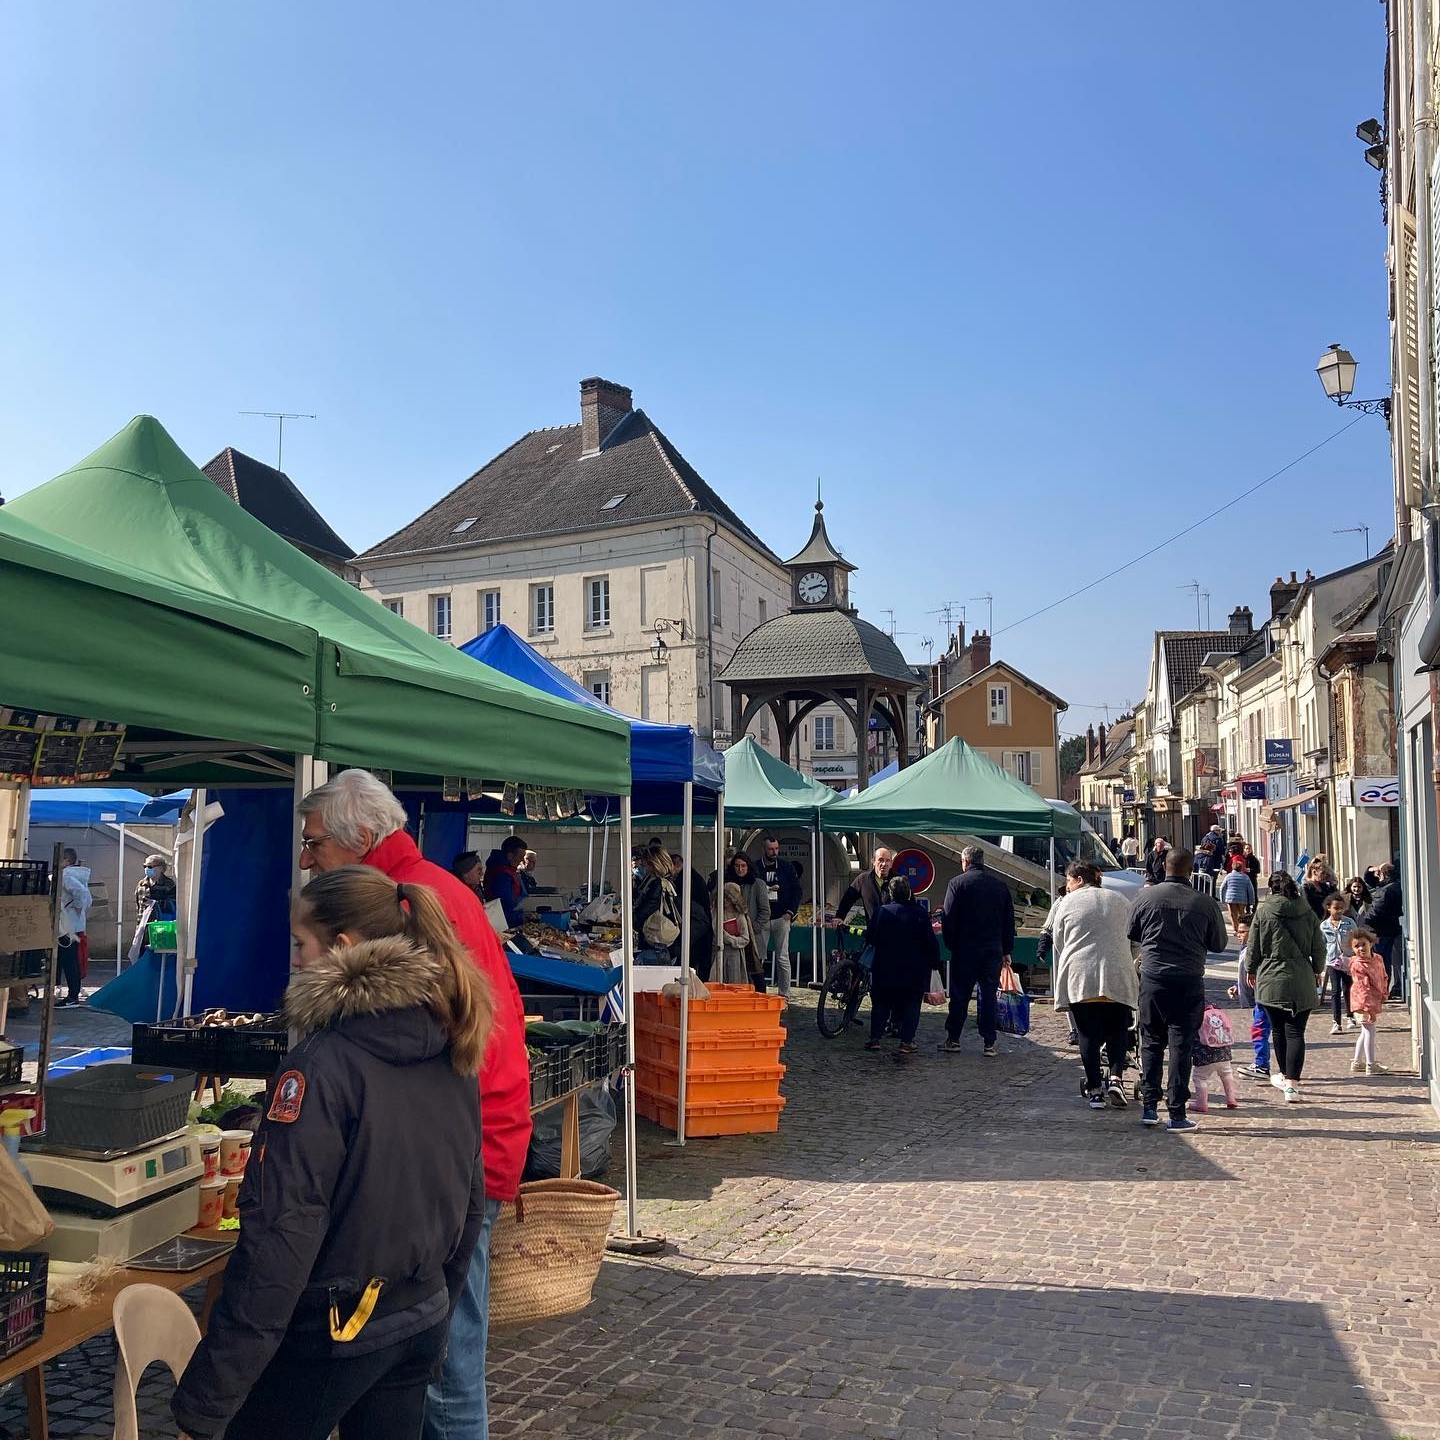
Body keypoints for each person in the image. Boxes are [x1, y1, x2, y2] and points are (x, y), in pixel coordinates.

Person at [172, 865, 490, 1440]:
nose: (293, 960)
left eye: (300, 944)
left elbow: (280, 1236)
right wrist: (438, 1307)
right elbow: (468, 1199)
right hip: (413, 1312)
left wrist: (207, 1402)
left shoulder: (321, 1065)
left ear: (342, 948)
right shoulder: (452, 1041)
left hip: (338, 1326)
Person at [296, 770, 530, 1440]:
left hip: (456, 1157)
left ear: (361, 838)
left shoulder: (411, 903)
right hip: (466, 1147)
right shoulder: (426, 890)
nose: (307, 858)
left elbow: (417, 1054)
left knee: (446, 1370)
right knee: (428, 1363)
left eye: (315, 844)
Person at [1126, 847, 1226, 1132]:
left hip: (1154, 978)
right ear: (1190, 869)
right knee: (1181, 1046)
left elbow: (1132, 932)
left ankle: (1149, 1106)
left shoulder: (1145, 897)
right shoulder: (1204, 902)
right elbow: (1218, 943)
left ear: (1165, 868)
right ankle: (1177, 1113)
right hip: (1188, 979)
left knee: (1152, 1042)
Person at [1047, 860, 1139, 1109]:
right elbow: (1135, 936)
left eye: (1068, 880)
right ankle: (1117, 1078)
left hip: (1082, 975)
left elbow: (1059, 940)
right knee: (1118, 1029)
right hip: (1117, 973)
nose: (1066, 886)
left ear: (1078, 880)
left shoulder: (1066, 903)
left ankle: (1095, 1088)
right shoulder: (1120, 900)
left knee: (1087, 1033)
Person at [1247, 871, 1326, 1104]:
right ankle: (1292, 1084)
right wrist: (1317, 969)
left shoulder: (1263, 912)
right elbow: (1319, 947)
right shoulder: (1307, 912)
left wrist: (1251, 970)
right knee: (1296, 1032)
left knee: (1279, 1032)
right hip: (1301, 976)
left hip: (1272, 976)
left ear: (1271, 889)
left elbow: (1254, 946)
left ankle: (1283, 1076)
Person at [939, 847, 1015, 1058]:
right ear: (983, 861)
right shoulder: (999, 886)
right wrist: (1006, 949)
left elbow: (948, 918)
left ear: (965, 861)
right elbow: (1009, 921)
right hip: (992, 950)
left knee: (960, 996)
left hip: (965, 950)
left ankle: (953, 1038)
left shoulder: (957, 884)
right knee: (989, 996)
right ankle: (989, 1042)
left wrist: (952, 944)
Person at [865, 876, 939, 1057]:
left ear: (890, 893)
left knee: (881, 1004)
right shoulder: (920, 913)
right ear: (909, 892)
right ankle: (906, 1042)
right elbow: (930, 941)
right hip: (913, 969)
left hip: (885, 967)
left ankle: (875, 1039)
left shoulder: (882, 912)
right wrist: (935, 963)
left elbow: (871, 938)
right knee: (912, 1004)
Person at [754, 837, 802, 1003]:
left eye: (776, 849)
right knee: (758, 957)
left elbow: (797, 890)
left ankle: (784, 995)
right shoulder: (756, 867)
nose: (774, 852)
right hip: (762, 919)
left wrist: (790, 912)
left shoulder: (786, 867)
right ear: (764, 849)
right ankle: (758, 992)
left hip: (781, 918)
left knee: (783, 957)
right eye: (770, 849)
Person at [714, 852, 770, 988]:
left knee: (755, 970)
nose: (740, 869)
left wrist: (753, 928)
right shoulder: (725, 884)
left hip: (751, 935)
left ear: (748, 866)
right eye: (737, 866)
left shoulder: (758, 884)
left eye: (743, 866)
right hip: (729, 933)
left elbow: (765, 911)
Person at [1347, 927, 1390, 1076]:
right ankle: (1371, 1064)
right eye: (1356, 946)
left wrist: (1384, 991)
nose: (1360, 948)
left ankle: (1357, 1062)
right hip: (1363, 1002)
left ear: (1370, 943)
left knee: (1365, 1032)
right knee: (1370, 1030)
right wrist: (1366, 1007)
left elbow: (1384, 975)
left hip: (1375, 998)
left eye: (1363, 944)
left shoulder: (1378, 958)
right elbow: (1361, 988)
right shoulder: (1357, 965)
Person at [1233, 919, 1271, 1081]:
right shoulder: (1246, 949)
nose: (1238, 935)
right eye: (1238, 931)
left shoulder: (1257, 950)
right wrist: (1237, 986)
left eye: (1243, 932)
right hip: (1259, 997)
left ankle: (1262, 1065)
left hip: (1264, 997)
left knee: (1260, 1030)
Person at [1360, 861, 1404, 997]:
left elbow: (1375, 913)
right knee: (1388, 962)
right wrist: (1371, 869)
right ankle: (1385, 989)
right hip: (1392, 929)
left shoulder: (1384, 891)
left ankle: (1380, 990)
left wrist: (1362, 920)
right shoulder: (1397, 886)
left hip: (1379, 931)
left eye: (1379, 874)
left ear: (1383, 875)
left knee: (1379, 962)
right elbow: (1368, 880)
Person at [833, 847, 895, 941]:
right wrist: (839, 917)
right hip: (872, 936)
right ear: (873, 861)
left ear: (891, 863)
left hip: (895, 935)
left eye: (887, 861)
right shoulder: (863, 879)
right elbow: (848, 898)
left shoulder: (898, 881)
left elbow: (910, 904)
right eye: (880, 860)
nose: (884, 864)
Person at [56, 847, 91, 1007]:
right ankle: (72, 994)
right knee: (70, 960)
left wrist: (77, 906)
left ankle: (72, 996)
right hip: (73, 923)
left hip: (67, 924)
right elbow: (86, 896)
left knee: (69, 960)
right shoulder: (78, 875)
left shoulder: (67, 875)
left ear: (66, 861)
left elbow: (80, 892)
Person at [633, 844, 681, 963]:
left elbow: (646, 909)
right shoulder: (667, 881)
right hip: (663, 945)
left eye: (645, 864)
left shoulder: (657, 884)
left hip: (655, 942)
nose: (643, 867)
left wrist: (630, 921)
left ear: (653, 864)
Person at [1321, 894, 1358, 1036]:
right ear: (1329, 908)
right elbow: (1322, 944)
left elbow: (1356, 938)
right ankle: (1336, 1021)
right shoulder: (1324, 926)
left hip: (1348, 960)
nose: (1339, 911)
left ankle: (1350, 1015)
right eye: (1336, 908)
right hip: (1333, 961)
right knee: (1336, 991)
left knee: (1348, 988)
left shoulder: (1349, 923)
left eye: (1342, 908)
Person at [1190, 1003, 1238, 1113]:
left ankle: (1201, 1103)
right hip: (1224, 1053)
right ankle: (1231, 1099)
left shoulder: (1198, 1017)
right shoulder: (1219, 1015)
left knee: (1200, 1077)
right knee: (1227, 1074)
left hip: (1204, 1055)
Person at [481, 837, 528, 929]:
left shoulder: (507, 870)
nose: (521, 860)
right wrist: (521, 917)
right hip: (505, 924)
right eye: (520, 857)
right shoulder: (501, 874)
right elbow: (507, 904)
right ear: (510, 856)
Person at [716, 882, 753, 985]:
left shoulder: (740, 916)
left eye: (727, 898)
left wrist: (729, 938)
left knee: (734, 981)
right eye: (723, 897)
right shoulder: (717, 912)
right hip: (718, 951)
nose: (724, 900)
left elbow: (745, 938)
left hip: (734, 953)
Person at [1218, 861, 1256, 933]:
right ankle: (1242, 928)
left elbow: (1222, 888)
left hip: (1230, 898)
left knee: (1233, 914)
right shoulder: (1245, 877)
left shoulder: (1228, 876)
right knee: (1241, 914)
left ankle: (1235, 929)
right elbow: (1250, 890)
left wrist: (1222, 899)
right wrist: (1252, 901)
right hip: (1242, 898)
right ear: (1241, 868)